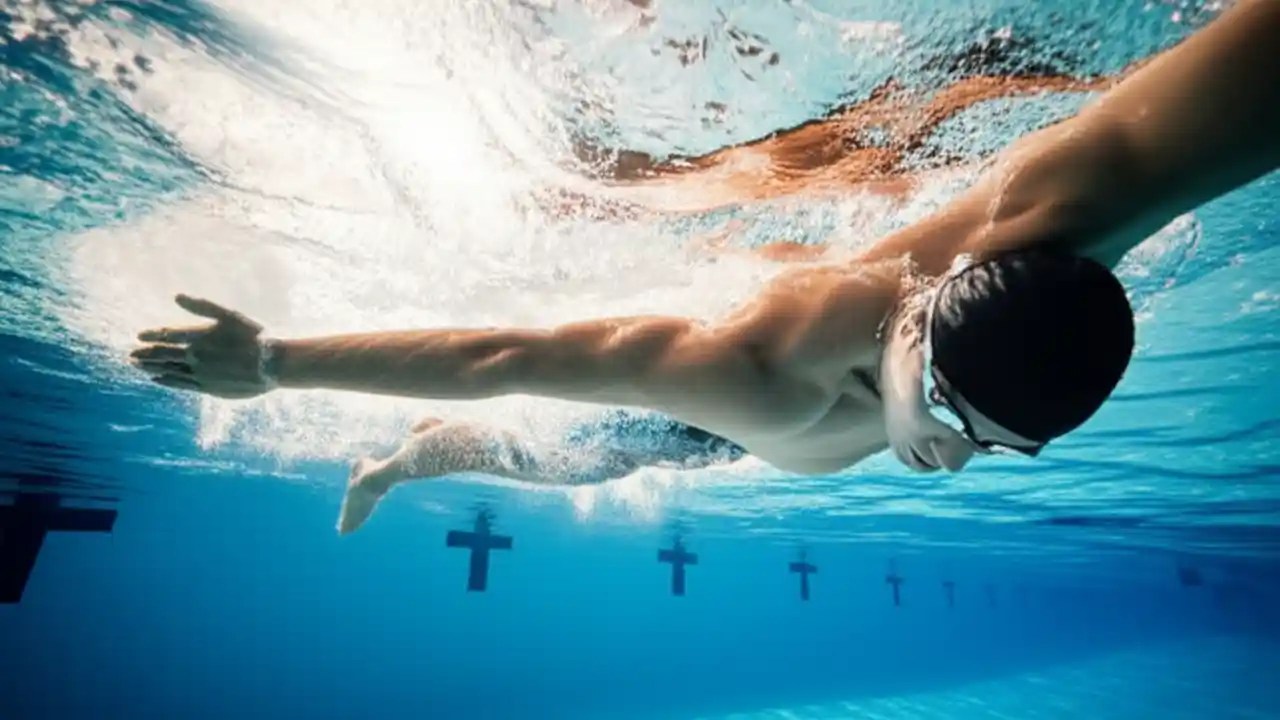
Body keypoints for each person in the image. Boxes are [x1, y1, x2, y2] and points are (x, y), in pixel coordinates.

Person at [131, 0, 1280, 533]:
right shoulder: (746, 369)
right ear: (911, 326)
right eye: (945, 411)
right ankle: (389, 469)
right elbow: (502, 351)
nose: (951, 457)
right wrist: (275, 359)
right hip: (689, 425)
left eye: (997, 445)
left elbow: (1173, 122)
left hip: (798, 397)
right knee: (559, 460)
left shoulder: (1054, 238)